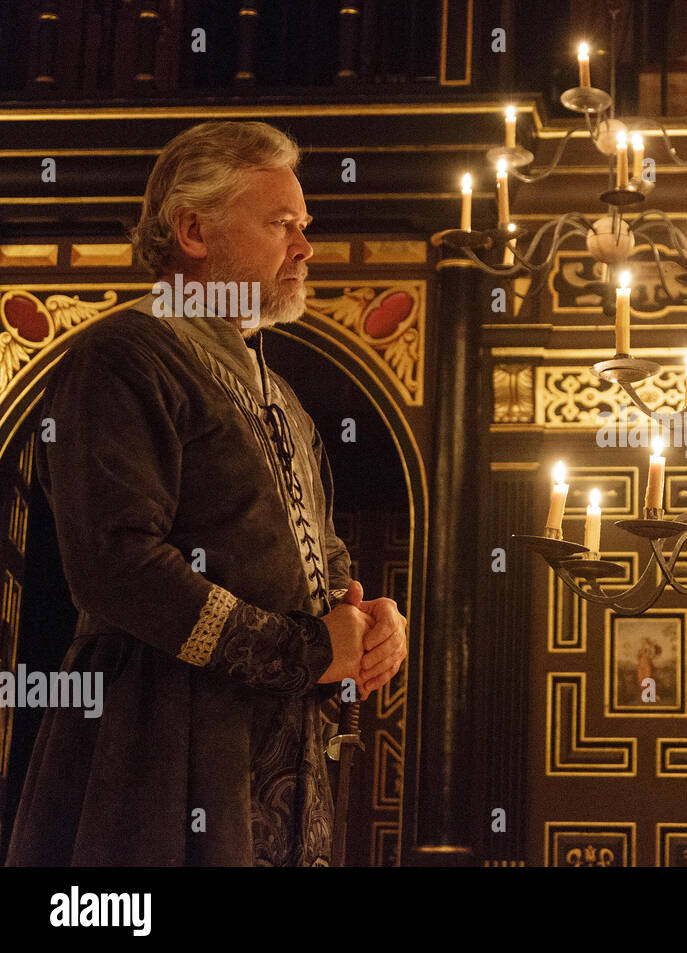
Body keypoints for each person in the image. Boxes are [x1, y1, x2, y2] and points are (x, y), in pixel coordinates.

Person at [4, 121, 408, 866]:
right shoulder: (123, 356)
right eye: (282, 223)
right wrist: (314, 647)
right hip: (156, 744)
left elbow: (321, 553)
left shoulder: (282, 395)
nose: (305, 247)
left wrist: (372, 621)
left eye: (305, 226)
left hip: (284, 759)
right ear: (192, 230)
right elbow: (117, 565)